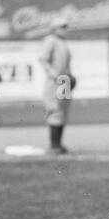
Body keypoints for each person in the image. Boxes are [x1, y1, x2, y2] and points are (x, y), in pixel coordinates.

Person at [38, 17, 75, 154]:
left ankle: (59, 143)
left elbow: (67, 64)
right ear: (54, 28)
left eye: (65, 27)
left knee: (63, 111)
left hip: (64, 80)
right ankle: (54, 145)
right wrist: (54, 75)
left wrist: (70, 76)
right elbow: (43, 59)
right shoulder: (50, 40)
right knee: (55, 110)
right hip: (56, 81)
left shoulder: (62, 42)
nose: (65, 29)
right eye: (62, 27)